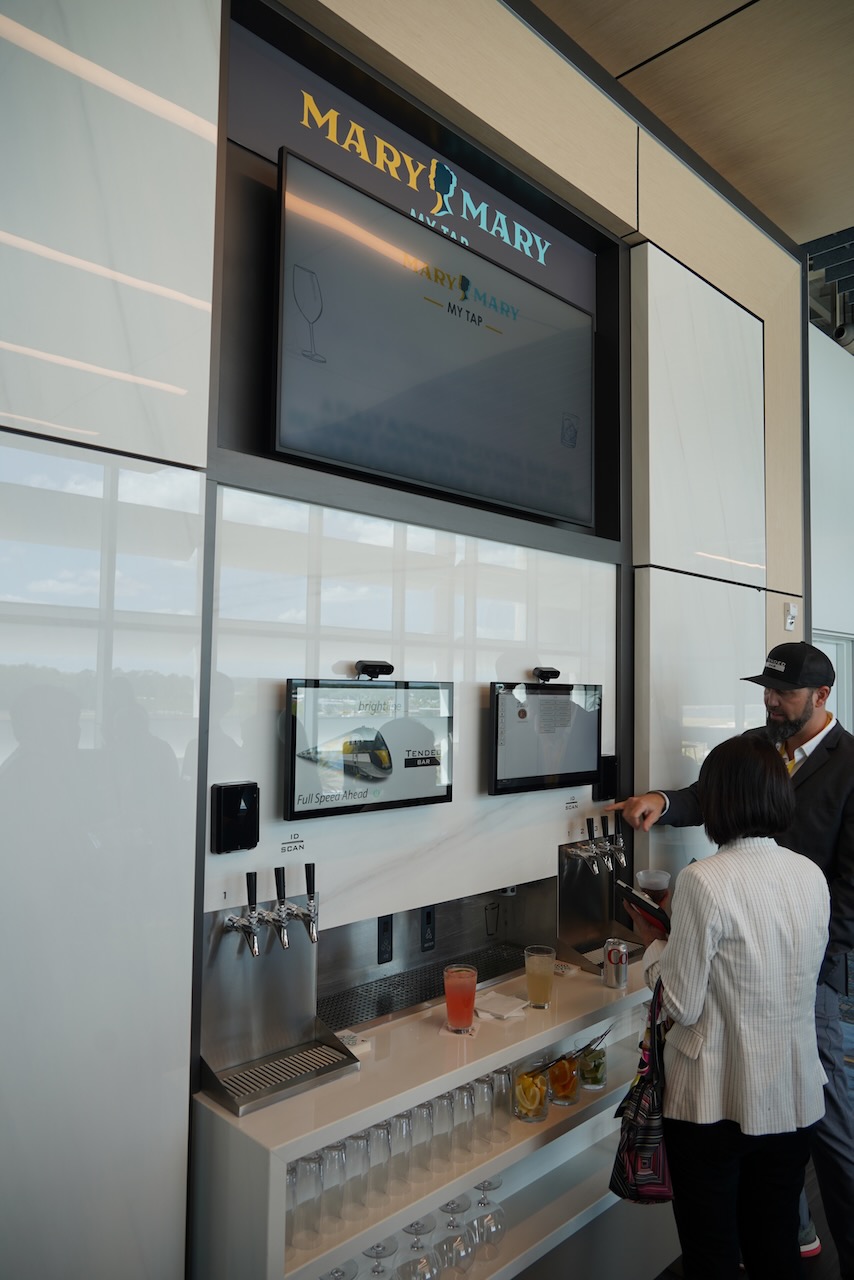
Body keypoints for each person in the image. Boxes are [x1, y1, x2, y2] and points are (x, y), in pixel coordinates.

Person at [610, 641, 854, 1274]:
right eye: (765, 689)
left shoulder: (848, 766)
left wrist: (659, 945)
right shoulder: (760, 751)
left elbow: (681, 1002)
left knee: (826, 1145)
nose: (770, 701)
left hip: (798, 991)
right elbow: (704, 791)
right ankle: (798, 1235)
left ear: (821, 696)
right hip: (784, 1051)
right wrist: (663, 801)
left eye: (784, 692)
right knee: (774, 1206)